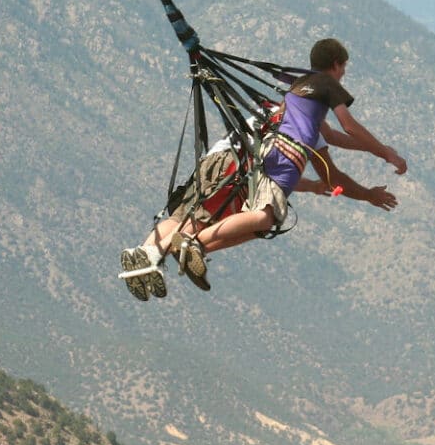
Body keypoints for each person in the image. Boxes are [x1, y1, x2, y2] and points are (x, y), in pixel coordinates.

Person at [120, 38, 406, 300]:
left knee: (194, 216)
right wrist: (385, 155)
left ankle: (146, 254)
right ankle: (193, 246)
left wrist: (367, 159)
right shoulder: (318, 97)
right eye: (343, 68)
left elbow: (332, 139)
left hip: (224, 159)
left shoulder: (296, 100)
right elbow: (346, 131)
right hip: (245, 164)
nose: (343, 74)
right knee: (261, 219)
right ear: (337, 65)